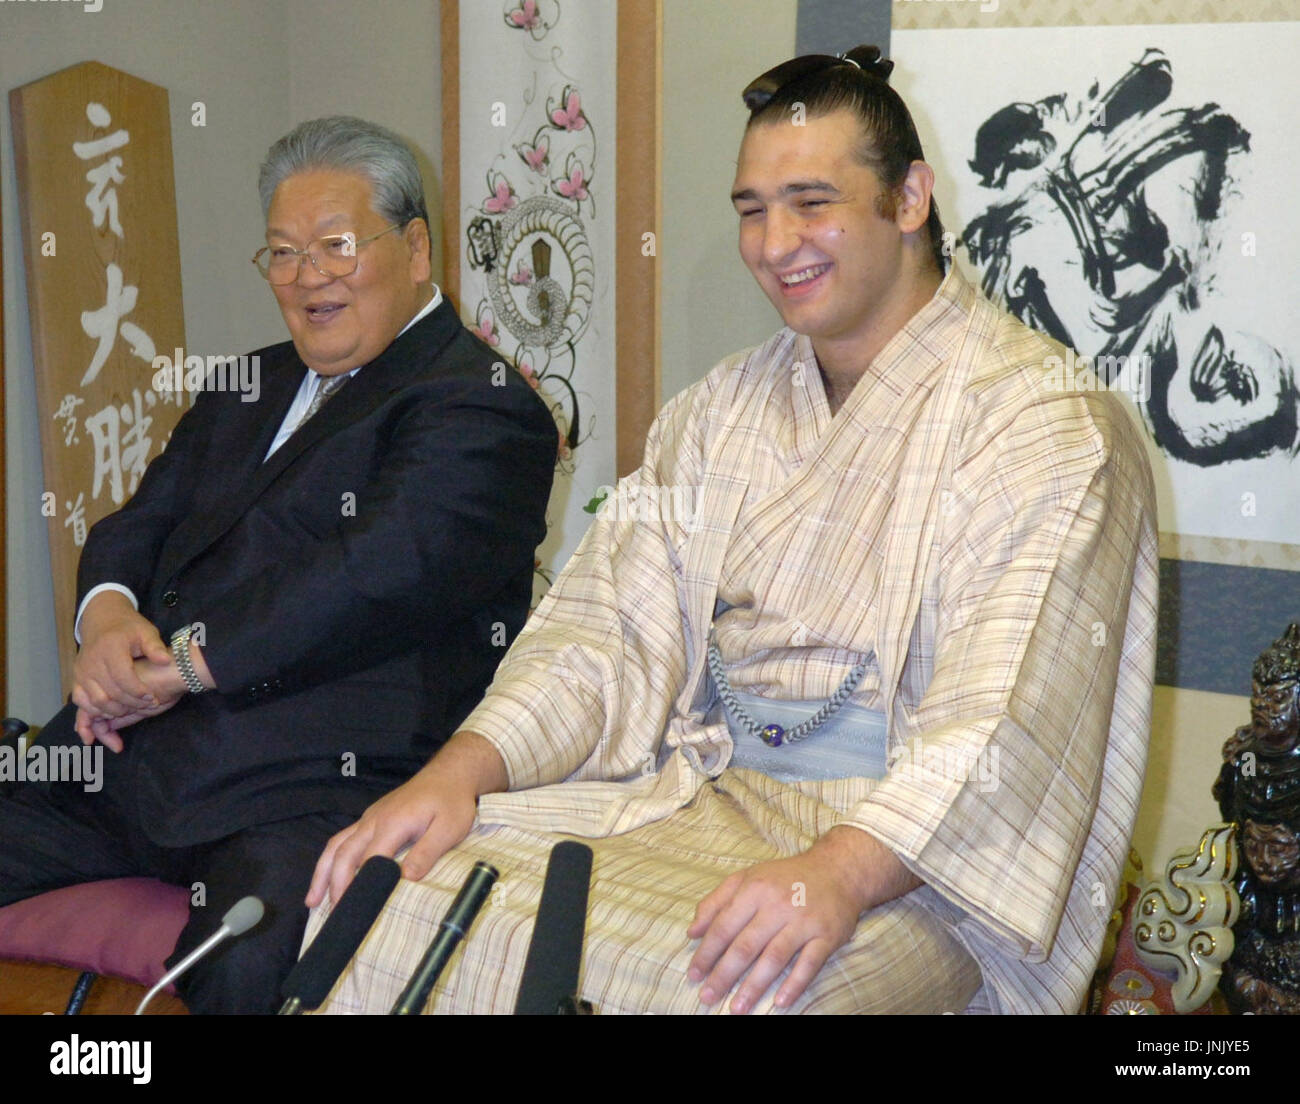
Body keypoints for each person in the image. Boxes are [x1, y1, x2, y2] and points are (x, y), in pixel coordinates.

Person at [308, 47, 1159, 1015]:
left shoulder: (1045, 422)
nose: (773, 241)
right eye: (751, 209)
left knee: (737, 992)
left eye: (811, 202)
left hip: (911, 860)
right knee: (395, 905)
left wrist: (836, 872)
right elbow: (603, 631)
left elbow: (1003, 713)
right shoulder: (716, 413)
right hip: (703, 792)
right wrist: (458, 773)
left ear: (910, 197)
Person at [0, 117, 557, 1013]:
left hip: (306, 785)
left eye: (338, 246)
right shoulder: (247, 383)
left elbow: (375, 571)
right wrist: (105, 621)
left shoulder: (477, 404)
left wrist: (182, 666)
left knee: (248, 963)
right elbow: (142, 521)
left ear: (416, 249)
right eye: (284, 254)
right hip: (117, 759)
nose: (308, 279)